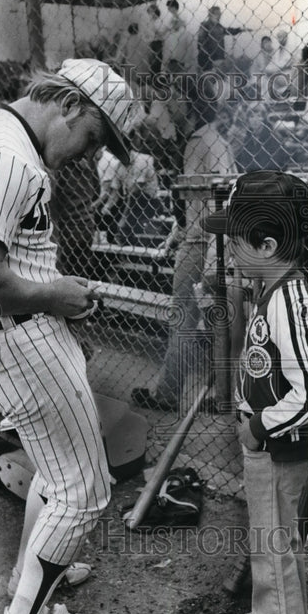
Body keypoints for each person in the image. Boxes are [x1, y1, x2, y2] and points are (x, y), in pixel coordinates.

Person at [0, 57, 139, 614]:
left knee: (57, 474)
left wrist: (53, 295)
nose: (90, 155)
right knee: (84, 491)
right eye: (94, 137)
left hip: (1, 334)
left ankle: (30, 576)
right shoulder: (8, 157)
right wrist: (57, 295)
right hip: (16, 336)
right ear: (70, 105)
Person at [200, 170, 308, 614]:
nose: (230, 250)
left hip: (277, 449)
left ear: (268, 243)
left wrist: (258, 427)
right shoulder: (271, 290)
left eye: (236, 241)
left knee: (273, 554)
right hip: (272, 448)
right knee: (276, 550)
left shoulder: (290, 301)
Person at [131, 102, 237, 411]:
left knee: (185, 320)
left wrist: (213, 251)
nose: (163, 107)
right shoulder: (201, 140)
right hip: (201, 238)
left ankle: (174, 394)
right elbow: (198, 201)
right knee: (204, 321)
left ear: (189, 105)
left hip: (204, 242)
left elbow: (222, 199)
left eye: (175, 97)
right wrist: (178, 231)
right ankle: (219, 394)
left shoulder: (204, 142)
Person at [231, 101, 289, 173]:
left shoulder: (273, 137)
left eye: (258, 116)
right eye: (252, 116)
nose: (255, 120)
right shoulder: (248, 137)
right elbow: (244, 161)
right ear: (248, 119)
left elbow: (275, 163)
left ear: (264, 119)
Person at [197, 5, 247, 73]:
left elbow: (228, 30)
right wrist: (208, 59)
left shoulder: (219, 26)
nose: (219, 16)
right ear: (211, 14)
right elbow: (200, 43)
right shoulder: (205, 25)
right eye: (217, 14)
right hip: (208, 60)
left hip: (218, 57)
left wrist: (239, 30)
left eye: (220, 14)